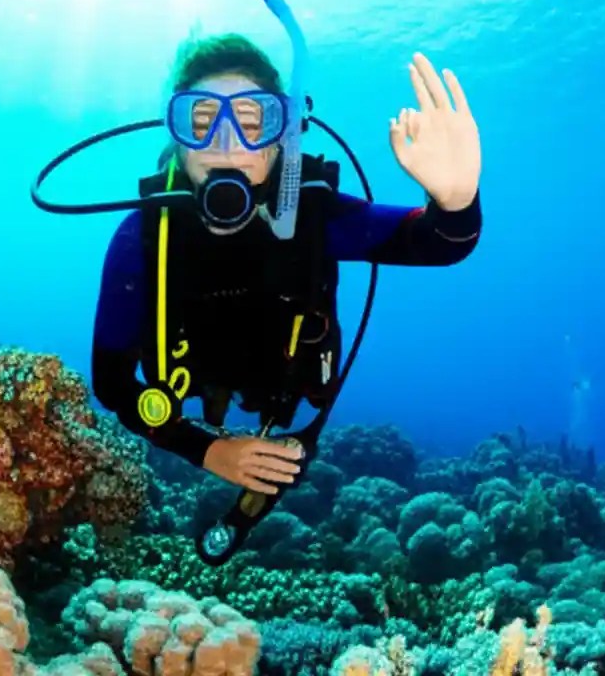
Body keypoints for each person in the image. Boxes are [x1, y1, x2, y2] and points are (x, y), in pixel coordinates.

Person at [85, 33, 483, 561]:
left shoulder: (315, 216)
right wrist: (206, 449)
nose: (226, 142)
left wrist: (457, 201)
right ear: (177, 136)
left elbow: (441, 242)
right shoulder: (141, 239)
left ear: (282, 137)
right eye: (201, 121)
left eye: (253, 122)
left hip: (284, 381)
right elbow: (112, 385)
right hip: (194, 375)